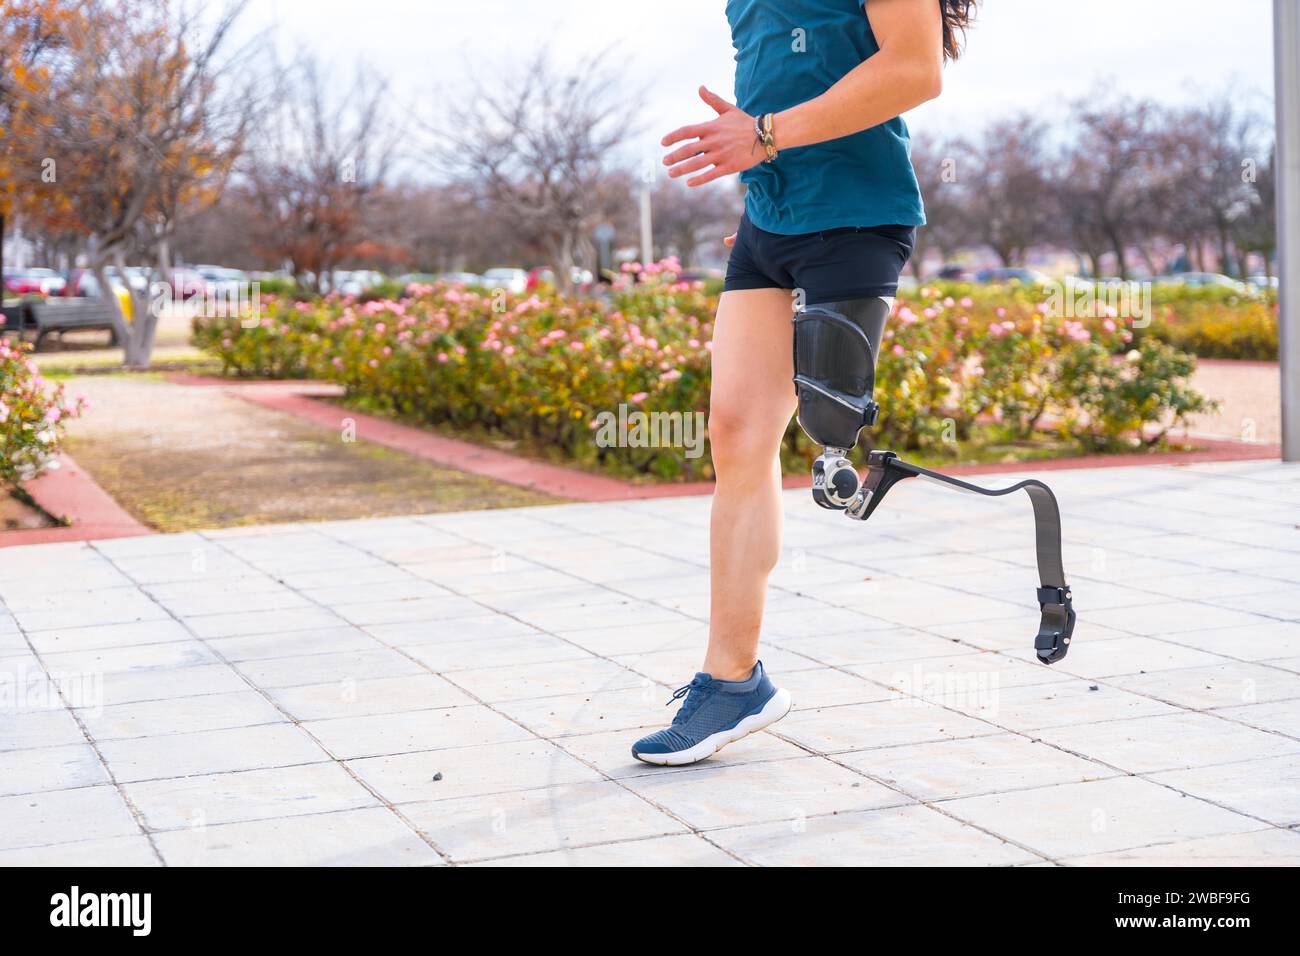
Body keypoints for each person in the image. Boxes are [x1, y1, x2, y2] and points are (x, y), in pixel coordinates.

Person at [631, 0, 978, 765]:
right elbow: (791, 79)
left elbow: (916, 69)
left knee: (830, 421)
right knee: (735, 436)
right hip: (769, 225)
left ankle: (851, 463)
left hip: (854, 218)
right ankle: (731, 684)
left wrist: (760, 134)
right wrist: (759, 160)